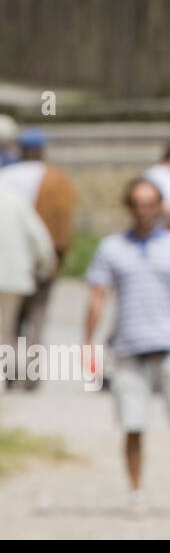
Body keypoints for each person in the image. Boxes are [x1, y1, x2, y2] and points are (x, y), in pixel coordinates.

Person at [84, 178, 170, 511]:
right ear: (130, 207)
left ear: (158, 207)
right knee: (132, 424)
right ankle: (136, 493)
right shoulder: (111, 247)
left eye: (150, 203)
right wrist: (87, 342)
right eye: (138, 204)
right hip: (129, 346)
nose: (144, 210)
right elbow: (98, 296)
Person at [0, 128, 77, 391]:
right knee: (36, 320)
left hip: (8, 262)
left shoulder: (5, 178)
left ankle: (9, 374)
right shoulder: (56, 179)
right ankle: (30, 376)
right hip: (34, 261)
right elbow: (56, 228)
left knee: (7, 325)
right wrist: (53, 260)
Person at [0, 183, 56, 393]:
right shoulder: (16, 201)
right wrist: (46, 265)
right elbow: (39, 237)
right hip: (13, 277)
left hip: (11, 276)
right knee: (6, 330)